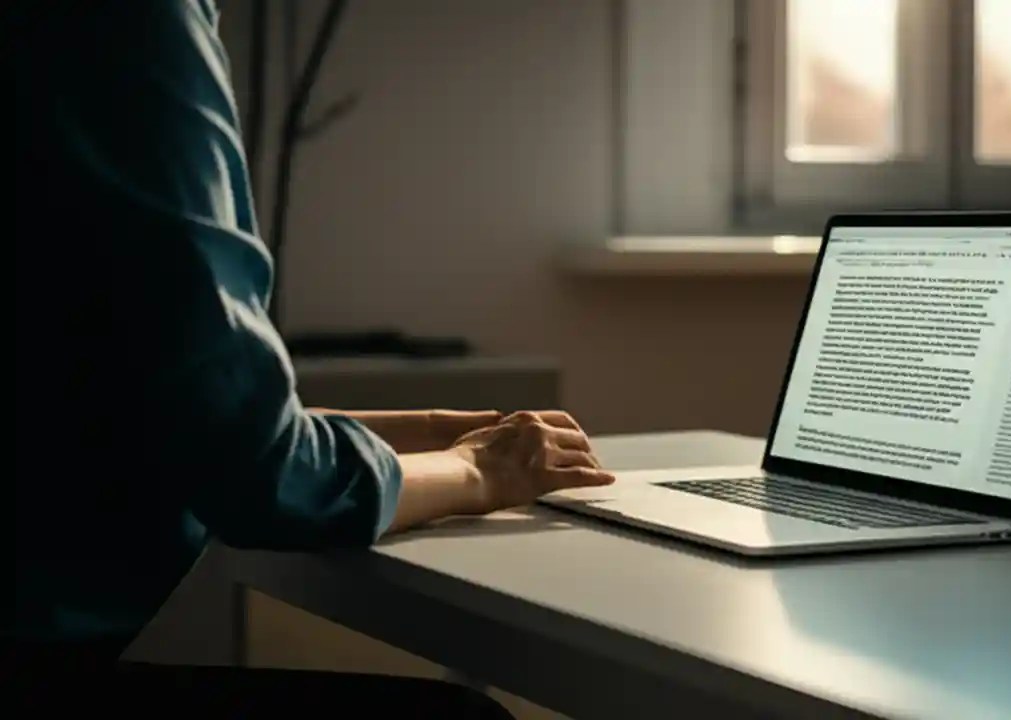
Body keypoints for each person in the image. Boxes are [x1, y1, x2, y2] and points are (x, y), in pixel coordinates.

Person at [10, 0, 613, 714]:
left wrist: (419, 435)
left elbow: (122, 405)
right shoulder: (128, 21)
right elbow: (251, 476)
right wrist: (480, 468)